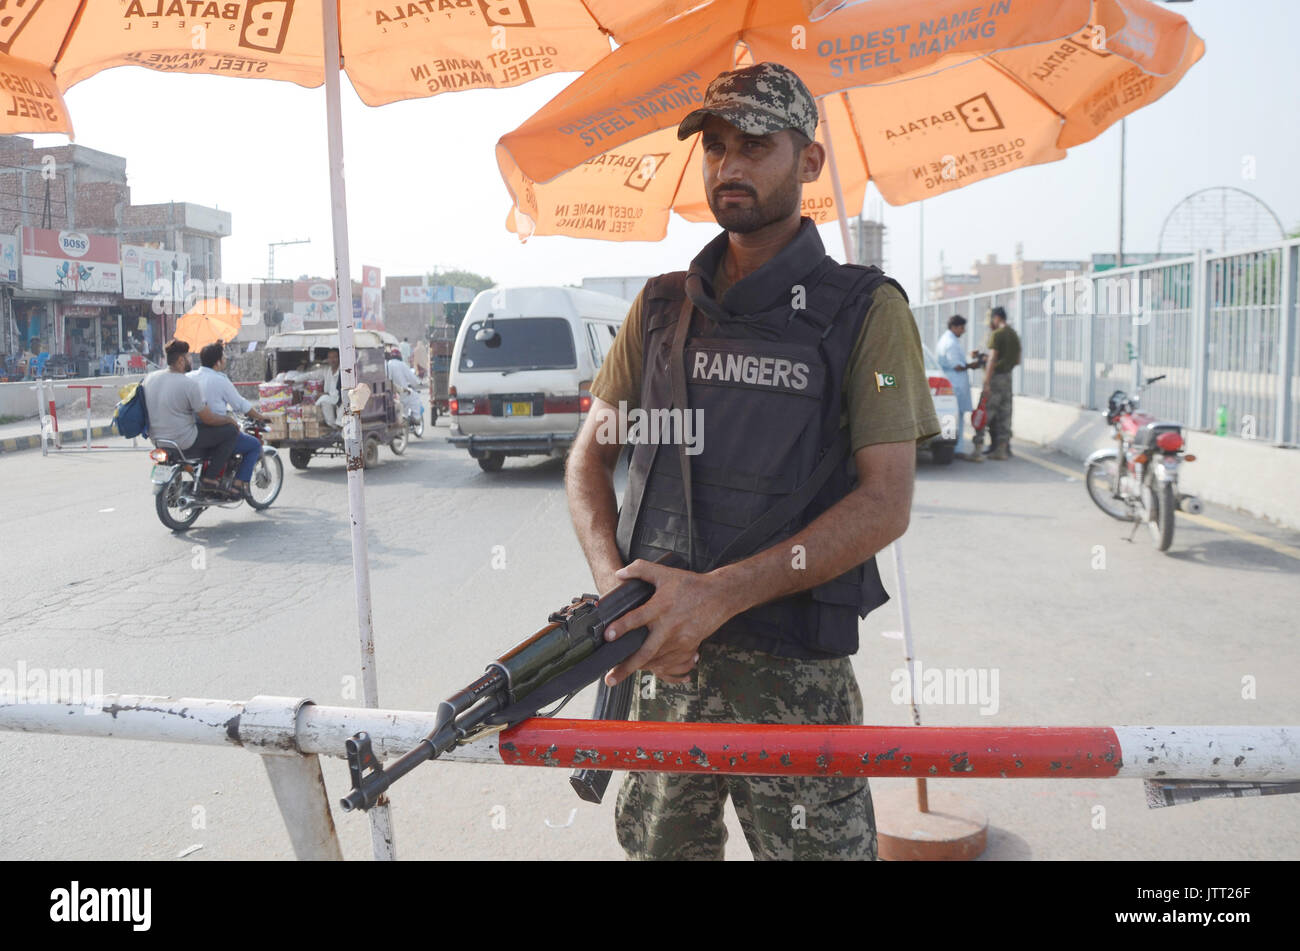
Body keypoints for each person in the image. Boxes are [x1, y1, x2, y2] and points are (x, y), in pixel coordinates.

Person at [565, 63, 939, 861]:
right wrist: (616, 597)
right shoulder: (661, 307)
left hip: (794, 684)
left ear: (808, 162)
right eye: (716, 147)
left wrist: (717, 595)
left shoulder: (871, 314)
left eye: (755, 146)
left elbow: (886, 502)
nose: (728, 166)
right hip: (664, 673)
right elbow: (587, 463)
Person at [143, 339, 240, 497]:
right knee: (229, 431)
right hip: (184, 440)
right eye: (188, 357)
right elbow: (209, 419)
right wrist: (229, 420)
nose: (190, 361)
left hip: (158, 440)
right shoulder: (188, 384)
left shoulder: (150, 379)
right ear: (181, 360)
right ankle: (210, 479)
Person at [188, 342, 269, 495]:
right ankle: (238, 485)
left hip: (192, 430)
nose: (226, 359)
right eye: (224, 356)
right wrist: (259, 416)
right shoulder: (220, 380)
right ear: (218, 362)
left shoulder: (189, 377)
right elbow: (240, 404)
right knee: (253, 445)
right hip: (215, 430)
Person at [971, 306, 1020, 461]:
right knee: (1004, 415)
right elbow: (1017, 360)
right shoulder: (1013, 334)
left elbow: (992, 358)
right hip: (1008, 378)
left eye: (992, 319)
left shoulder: (997, 334)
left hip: (995, 378)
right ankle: (1001, 450)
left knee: (984, 412)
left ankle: (977, 451)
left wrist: (986, 382)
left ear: (997, 318)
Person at [935, 315, 976, 461]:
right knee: (954, 417)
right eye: (961, 328)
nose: (963, 331)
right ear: (954, 327)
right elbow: (957, 366)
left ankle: (951, 448)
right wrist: (973, 365)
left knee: (952, 416)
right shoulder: (950, 342)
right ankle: (955, 449)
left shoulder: (947, 340)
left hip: (952, 382)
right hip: (954, 383)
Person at [386, 346, 423, 419]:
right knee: (415, 398)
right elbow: (411, 377)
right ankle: (416, 418)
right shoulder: (402, 364)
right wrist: (418, 382)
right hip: (402, 392)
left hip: (391, 393)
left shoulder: (387, 364)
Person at [316, 348, 342, 428]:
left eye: (334, 357)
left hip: (341, 398)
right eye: (330, 357)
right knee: (324, 401)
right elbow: (310, 375)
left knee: (343, 406)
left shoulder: (344, 370)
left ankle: (340, 426)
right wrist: (294, 380)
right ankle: (332, 426)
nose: (332, 360)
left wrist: (326, 393)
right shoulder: (327, 370)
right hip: (331, 397)